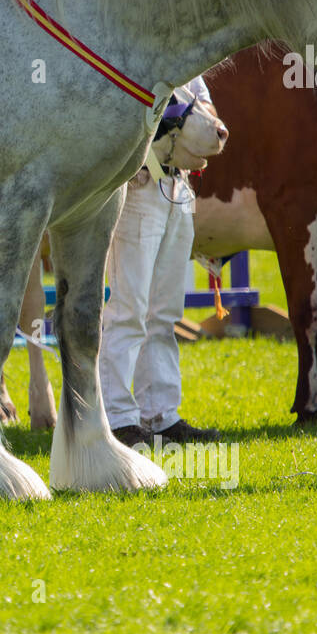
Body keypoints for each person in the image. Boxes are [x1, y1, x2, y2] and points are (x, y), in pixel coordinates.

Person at [100, 75, 221, 448]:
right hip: (137, 186)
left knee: (164, 313)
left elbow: (214, 121)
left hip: (177, 186)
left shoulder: (190, 66)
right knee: (128, 308)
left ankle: (161, 415)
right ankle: (118, 418)